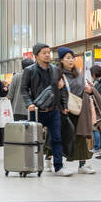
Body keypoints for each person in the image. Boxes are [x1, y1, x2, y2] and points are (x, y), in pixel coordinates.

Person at [21, 43, 71, 175]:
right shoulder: (29, 70)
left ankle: (59, 167)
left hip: (54, 110)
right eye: (44, 52)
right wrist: (29, 104)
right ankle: (29, 165)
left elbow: (63, 89)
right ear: (36, 55)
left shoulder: (55, 69)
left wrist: (64, 106)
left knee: (57, 138)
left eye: (49, 52)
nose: (48, 55)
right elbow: (24, 89)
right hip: (36, 110)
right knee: (32, 139)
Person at [57, 48, 100, 174]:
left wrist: (89, 90)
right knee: (60, 137)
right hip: (63, 111)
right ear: (61, 60)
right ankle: (56, 163)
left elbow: (84, 89)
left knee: (80, 137)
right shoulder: (57, 74)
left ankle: (82, 165)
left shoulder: (79, 74)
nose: (71, 60)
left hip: (79, 109)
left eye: (72, 57)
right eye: (67, 57)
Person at [89, 64, 101, 153]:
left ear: (93, 74)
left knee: (95, 128)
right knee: (98, 128)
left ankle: (97, 147)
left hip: (97, 110)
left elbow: (96, 95)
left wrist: (91, 88)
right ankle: (98, 147)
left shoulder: (99, 83)